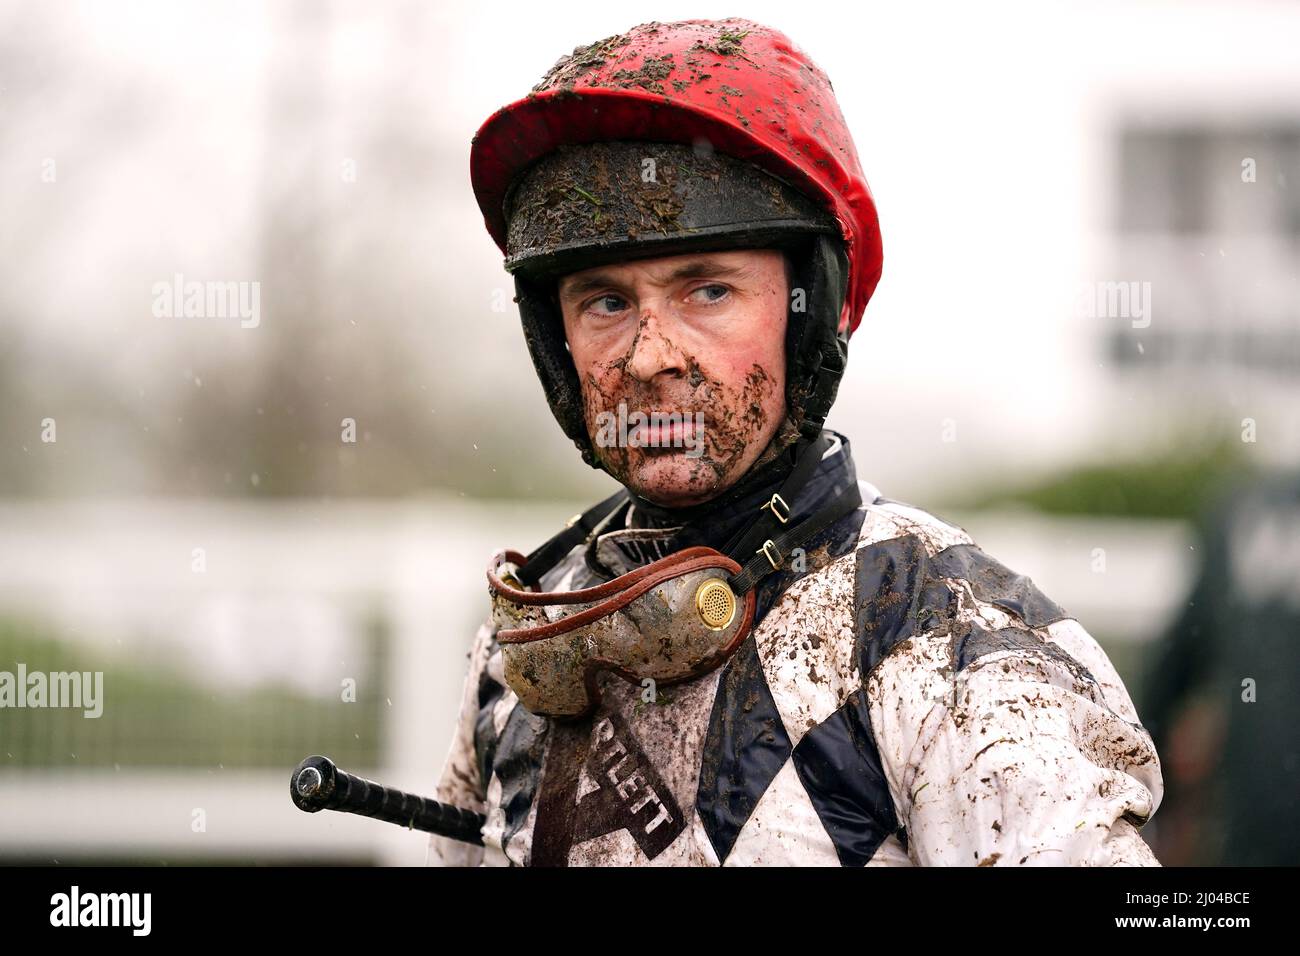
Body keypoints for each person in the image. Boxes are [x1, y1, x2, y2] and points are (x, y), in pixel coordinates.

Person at [427, 17, 1163, 867]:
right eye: (605, 302)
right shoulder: (530, 641)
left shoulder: (951, 648)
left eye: (707, 291)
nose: (649, 358)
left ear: (808, 312)